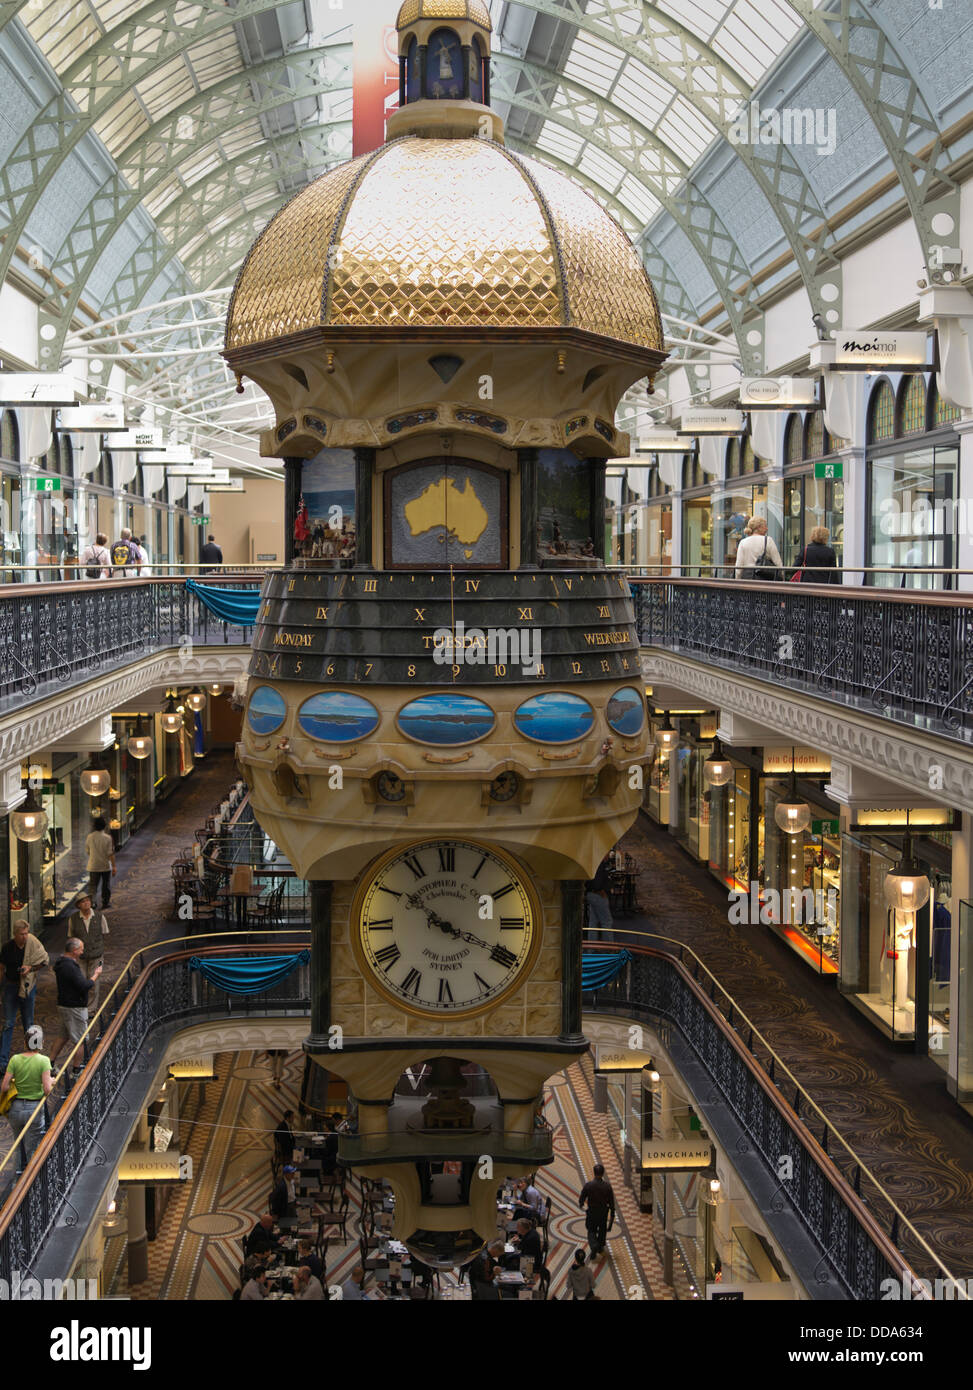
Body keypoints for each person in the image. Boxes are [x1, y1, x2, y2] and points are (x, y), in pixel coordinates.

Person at [1, 1024, 53, 1175]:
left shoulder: (15, 1059)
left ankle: (17, 1181)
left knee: (19, 1147)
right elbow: (47, 1090)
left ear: (25, 1042)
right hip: (34, 1110)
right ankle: (31, 1181)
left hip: (16, 1109)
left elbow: (4, 1087)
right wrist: (51, 1081)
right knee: (32, 1148)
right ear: (41, 1043)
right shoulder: (44, 1061)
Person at [0, 920, 49, 1074]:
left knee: (29, 1024)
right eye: (22, 934)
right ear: (15, 934)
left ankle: (32, 1059)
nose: (25, 936)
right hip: (11, 986)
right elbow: (2, 968)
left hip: (28, 987)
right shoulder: (7, 948)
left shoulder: (32, 943)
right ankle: (2, 1062)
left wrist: (31, 968)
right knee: (8, 1024)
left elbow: (44, 961)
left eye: (26, 933)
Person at [50, 939, 100, 1073]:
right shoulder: (70, 967)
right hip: (74, 1008)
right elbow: (84, 986)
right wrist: (95, 975)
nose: (83, 951)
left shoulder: (61, 963)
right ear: (74, 951)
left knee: (63, 1036)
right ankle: (76, 1071)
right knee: (81, 1041)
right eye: (81, 949)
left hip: (64, 1005)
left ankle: (50, 1065)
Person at [70, 894, 109, 1012]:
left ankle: (91, 1009)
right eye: (83, 901)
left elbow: (104, 933)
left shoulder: (99, 916)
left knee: (94, 982)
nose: (86, 903)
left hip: (97, 955)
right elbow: (71, 937)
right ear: (78, 905)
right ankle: (82, 1005)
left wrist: (98, 947)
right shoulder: (73, 919)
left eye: (88, 900)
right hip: (80, 956)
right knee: (80, 980)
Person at [579, 1163, 615, 1258]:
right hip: (603, 1212)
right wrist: (612, 1217)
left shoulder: (588, 1185)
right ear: (603, 1173)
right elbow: (612, 1203)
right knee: (602, 1230)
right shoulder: (607, 1186)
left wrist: (581, 1204)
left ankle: (594, 1245)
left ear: (594, 1173)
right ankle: (600, 1247)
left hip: (592, 1211)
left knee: (591, 1230)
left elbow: (582, 1197)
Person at [85, 815, 116, 908]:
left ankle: (92, 903)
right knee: (106, 885)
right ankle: (105, 902)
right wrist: (114, 866)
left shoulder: (89, 837)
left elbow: (87, 851)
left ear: (94, 826)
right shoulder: (108, 838)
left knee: (93, 886)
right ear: (104, 826)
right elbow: (110, 853)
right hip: (105, 865)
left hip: (93, 865)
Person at [585, 855, 614, 942]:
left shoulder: (592, 862)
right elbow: (597, 883)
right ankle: (608, 947)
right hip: (598, 895)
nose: (608, 855)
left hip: (590, 894)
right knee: (607, 922)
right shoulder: (599, 864)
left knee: (593, 922)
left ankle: (591, 946)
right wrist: (602, 890)